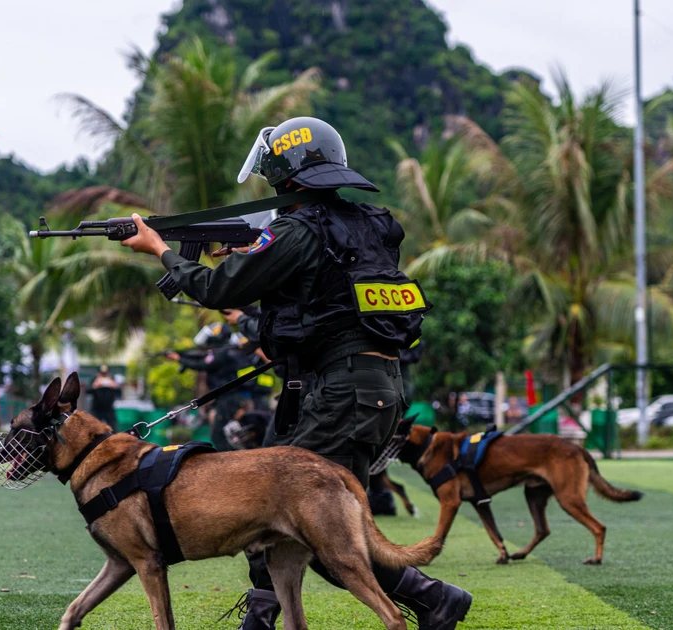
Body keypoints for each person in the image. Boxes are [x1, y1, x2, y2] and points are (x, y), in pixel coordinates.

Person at [121, 116, 472, 630]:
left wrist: (161, 250)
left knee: (323, 529)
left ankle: (435, 600)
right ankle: (262, 617)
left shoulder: (298, 229)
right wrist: (256, 258)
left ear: (285, 173)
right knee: (268, 504)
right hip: (364, 388)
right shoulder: (370, 222)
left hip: (343, 393)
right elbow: (323, 300)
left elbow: (220, 291)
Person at [166, 323, 246, 451]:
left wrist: (179, 358)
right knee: (225, 434)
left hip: (227, 399)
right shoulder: (223, 351)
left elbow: (202, 365)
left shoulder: (222, 352)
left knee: (219, 435)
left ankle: (228, 462)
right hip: (225, 398)